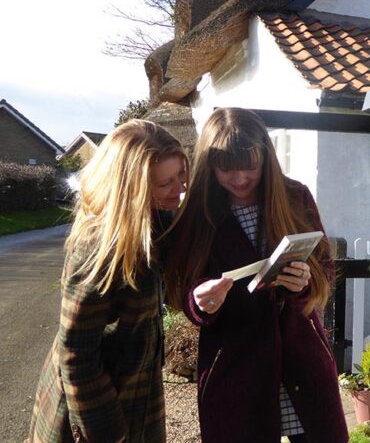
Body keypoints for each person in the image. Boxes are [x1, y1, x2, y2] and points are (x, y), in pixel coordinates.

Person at [165, 107, 347, 443]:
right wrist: (201, 302)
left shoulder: (295, 196)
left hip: (301, 362)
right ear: (208, 164)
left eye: (250, 165)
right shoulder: (197, 212)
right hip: (235, 368)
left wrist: (303, 284)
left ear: (266, 156)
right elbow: (182, 289)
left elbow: (325, 268)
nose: (239, 178)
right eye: (226, 168)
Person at [28, 120, 187, 443]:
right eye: (166, 183)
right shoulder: (99, 246)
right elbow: (76, 354)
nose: (180, 188)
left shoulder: (157, 222)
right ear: (132, 187)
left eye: (182, 175)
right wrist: (108, 433)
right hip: (96, 410)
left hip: (138, 395)